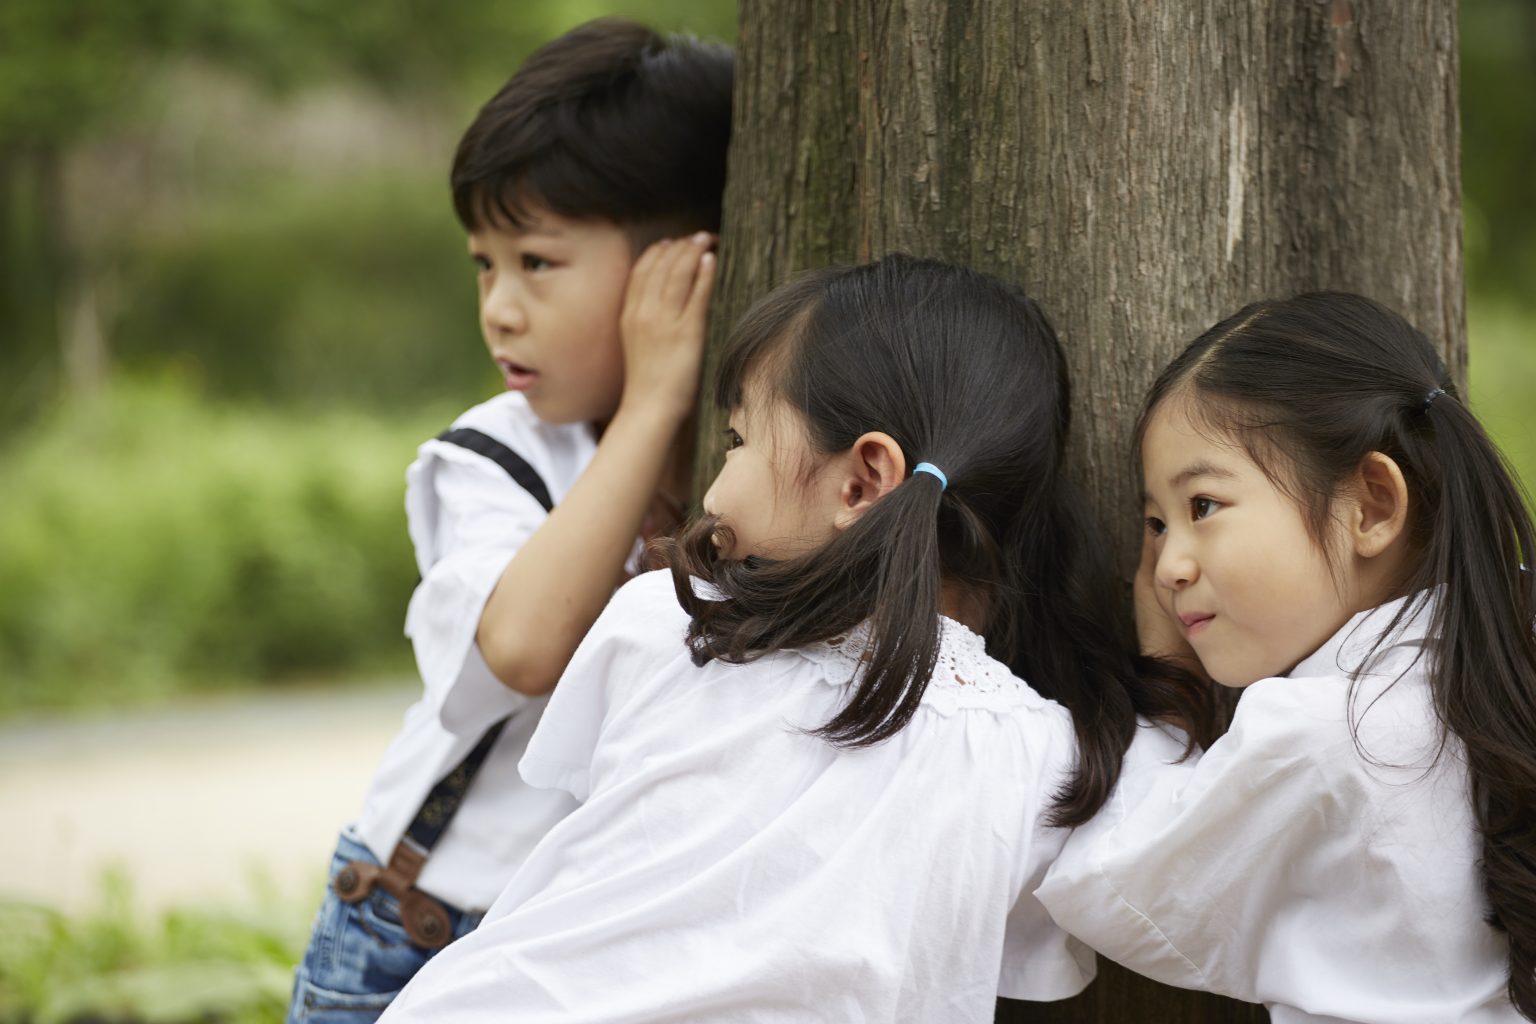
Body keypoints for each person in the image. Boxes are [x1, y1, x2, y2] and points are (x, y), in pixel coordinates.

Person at [374, 254, 1214, 1022]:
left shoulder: (676, 624)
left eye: (738, 441)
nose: (714, 489)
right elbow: (1176, 853)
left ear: (861, 482)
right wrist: (1168, 647)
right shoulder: (1038, 759)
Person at [286, 19, 732, 1022]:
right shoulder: (497, 454)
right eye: (485, 265)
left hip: (597, 956)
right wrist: (653, 403)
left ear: (683, 265)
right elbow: (525, 646)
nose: (499, 306)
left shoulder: (755, 468)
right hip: (417, 932)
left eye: (537, 261)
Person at [1036, 292, 1536, 1022]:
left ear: (1371, 505)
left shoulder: (1329, 729)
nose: (1167, 567)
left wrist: (1169, 681)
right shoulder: (1501, 669)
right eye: (1155, 524)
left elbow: (1115, 887)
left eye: (1203, 505)